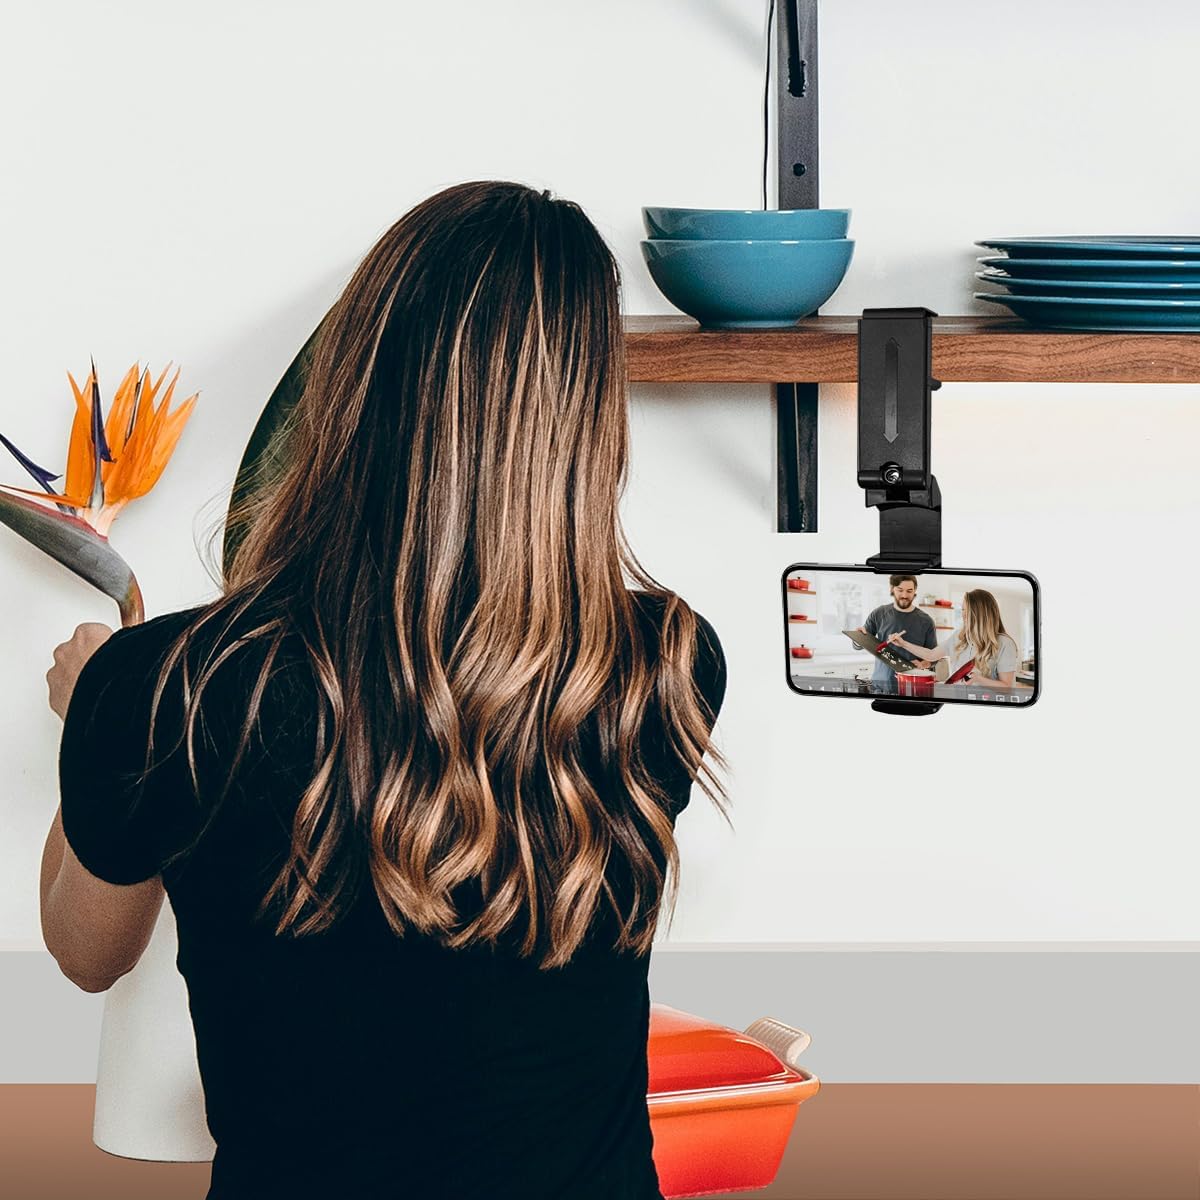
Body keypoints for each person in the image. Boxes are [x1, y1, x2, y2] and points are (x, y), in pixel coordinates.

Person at [38, 181, 728, 1200]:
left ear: (349, 381)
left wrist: (96, 704)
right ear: (586, 419)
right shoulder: (662, 662)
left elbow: (87, 950)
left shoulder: (164, 686)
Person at [888, 588, 1018, 689]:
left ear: (980, 614)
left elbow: (1007, 688)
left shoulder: (1004, 644)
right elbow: (932, 654)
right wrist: (903, 644)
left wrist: (979, 679)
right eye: (962, 610)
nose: (963, 614)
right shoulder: (960, 636)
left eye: (967, 610)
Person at [857, 574, 938, 688]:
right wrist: (857, 637)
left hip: (912, 687)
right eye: (900, 590)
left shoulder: (926, 621)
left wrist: (923, 664)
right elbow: (859, 644)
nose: (905, 595)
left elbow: (934, 656)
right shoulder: (879, 613)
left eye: (909, 591)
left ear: (915, 591)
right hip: (881, 685)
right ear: (892, 589)